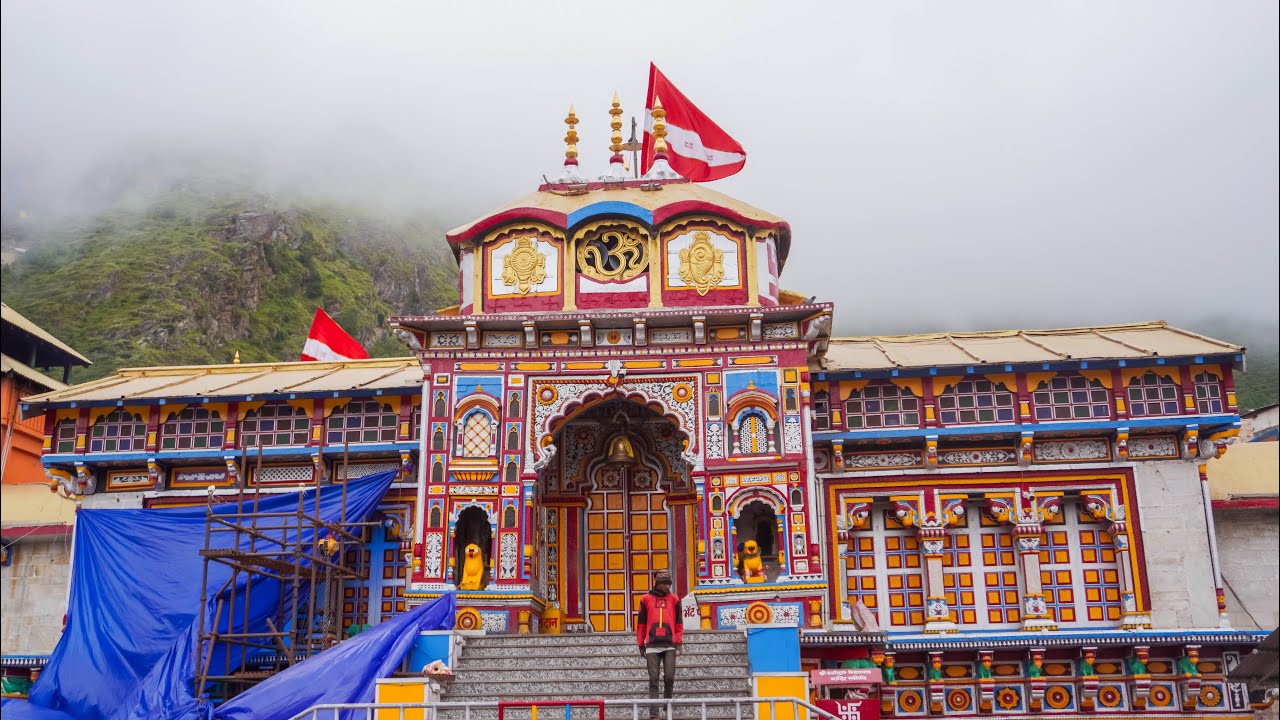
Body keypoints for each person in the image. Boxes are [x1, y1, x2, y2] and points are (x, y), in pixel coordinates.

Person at [636, 570, 683, 718]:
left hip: (670, 644)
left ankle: (666, 707)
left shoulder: (675, 599)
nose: (667, 586)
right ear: (657, 584)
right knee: (653, 679)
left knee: (669, 677)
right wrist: (640, 644)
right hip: (651, 645)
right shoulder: (645, 599)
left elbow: (679, 622)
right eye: (664, 583)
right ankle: (654, 714)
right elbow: (641, 623)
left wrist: (679, 642)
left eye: (669, 583)